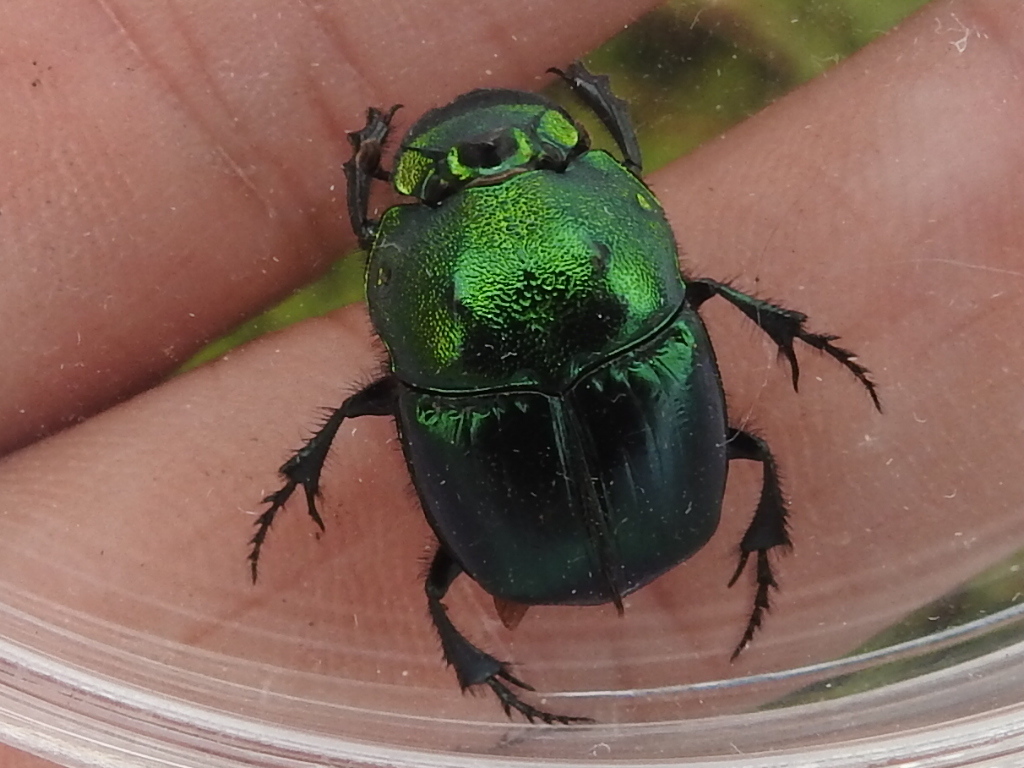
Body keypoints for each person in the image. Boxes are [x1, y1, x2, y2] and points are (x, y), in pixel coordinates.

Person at [0, 0, 1021, 763]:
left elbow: (378, 242)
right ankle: (513, 667)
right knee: (739, 439)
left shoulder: (417, 260)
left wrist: (374, 162)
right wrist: (591, 114)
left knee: (439, 565)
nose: (487, 152)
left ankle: (489, 673)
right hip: (648, 501)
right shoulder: (622, 241)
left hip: (524, 529)